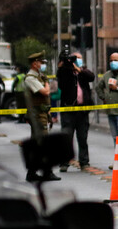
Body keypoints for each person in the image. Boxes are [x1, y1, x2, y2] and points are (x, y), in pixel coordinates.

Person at [23, 51, 59, 182]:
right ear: (34, 64)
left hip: (41, 113)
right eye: (40, 62)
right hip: (37, 115)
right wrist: (46, 82)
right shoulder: (31, 78)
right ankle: (46, 172)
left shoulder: (39, 76)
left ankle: (32, 173)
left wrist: (48, 114)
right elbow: (45, 92)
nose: (42, 64)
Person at [57, 49, 95, 172]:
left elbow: (91, 77)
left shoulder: (83, 72)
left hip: (82, 111)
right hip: (68, 110)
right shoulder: (65, 71)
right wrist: (64, 66)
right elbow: (61, 84)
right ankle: (64, 162)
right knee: (66, 137)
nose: (76, 60)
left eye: (78, 58)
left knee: (83, 137)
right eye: (74, 58)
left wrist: (78, 69)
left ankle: (84, 162)